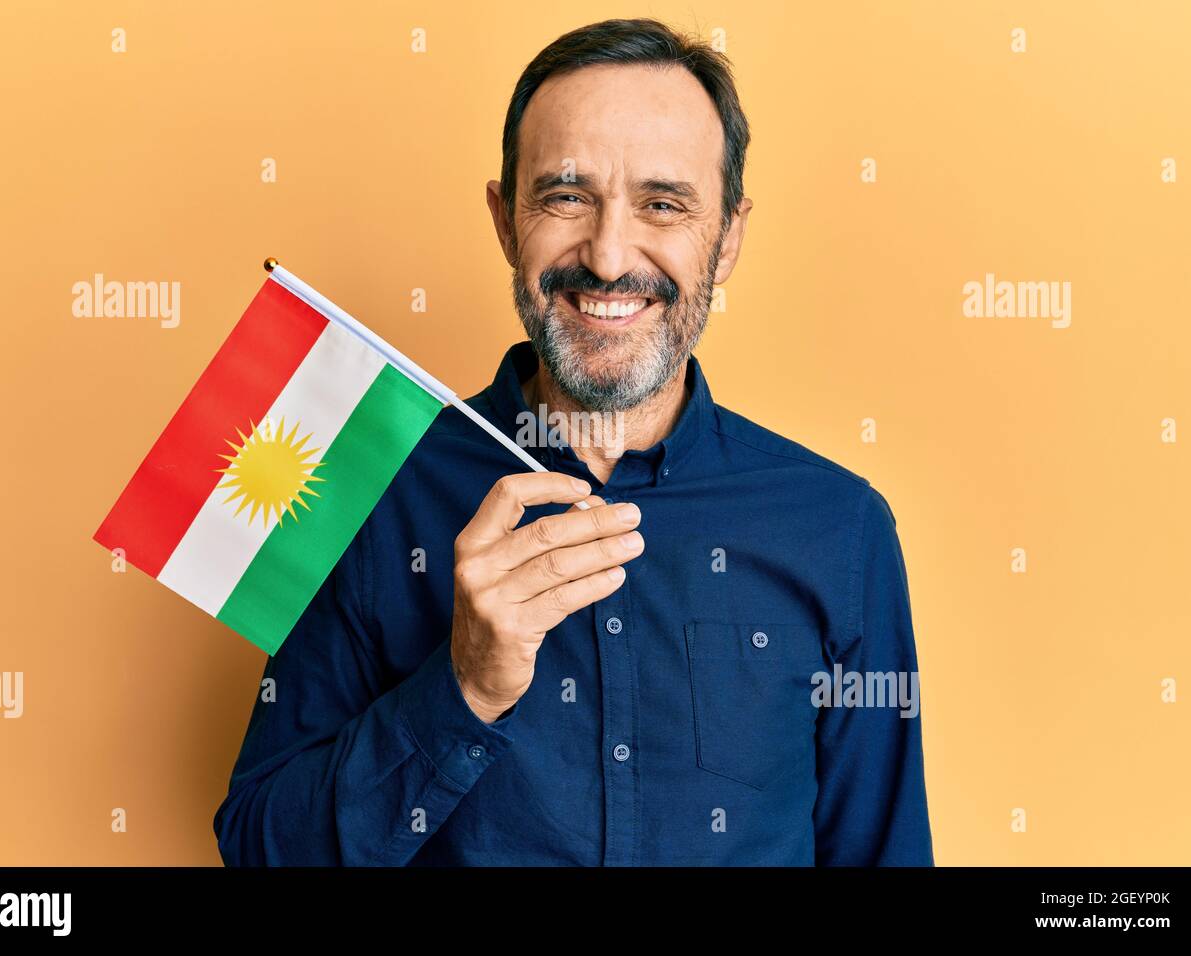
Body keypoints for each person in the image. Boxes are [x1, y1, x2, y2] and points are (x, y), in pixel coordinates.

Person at [214, 17, 934, 866]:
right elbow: (261, 852)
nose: (607, 255)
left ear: (729, 236)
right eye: (564, 197)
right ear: (505, 219)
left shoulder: (838, 528)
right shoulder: (369, 491)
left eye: (663, 204)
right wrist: (463, 690)